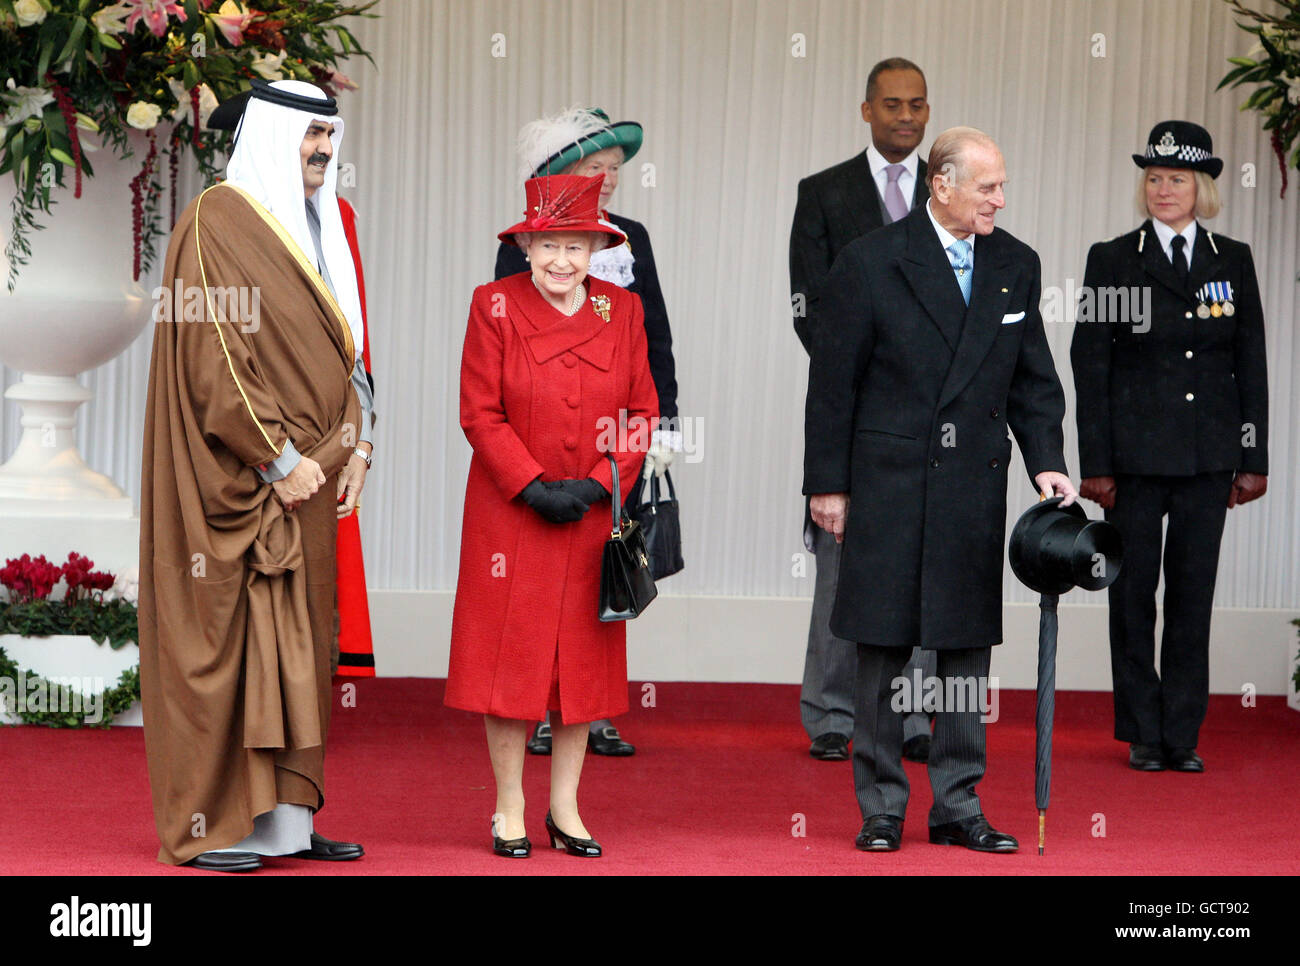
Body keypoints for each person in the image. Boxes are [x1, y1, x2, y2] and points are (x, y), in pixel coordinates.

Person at [804, 127, 1077, 854]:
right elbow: (833, 386)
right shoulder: (870, 261)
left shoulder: (1015, 263)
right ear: (941, 185)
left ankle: (958, 803)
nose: (1000, 198)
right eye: (987, 186)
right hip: (887, 483)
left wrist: (1045, 458)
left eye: (1002, 185)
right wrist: (827, 485)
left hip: (970, 486)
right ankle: (882, 805)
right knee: (883, 645)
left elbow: (1033, 379)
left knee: (963, 650)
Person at [139, 79, 373, 871]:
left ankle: (286, 826)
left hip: (313, 476)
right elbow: (216, 356)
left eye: (328, 137)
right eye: (309, 136)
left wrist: (357, 447)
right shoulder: (219, 219)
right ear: (275, 137)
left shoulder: (318, 225)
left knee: (299, 648)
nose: (322, 150)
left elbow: (351, 349)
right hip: (238, 481)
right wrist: (278, 459)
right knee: (229, 649)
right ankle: (213, 826)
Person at [445, 173, 658, 857]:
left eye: (577, 245)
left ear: (598, 247)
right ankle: (509, 804)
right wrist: (533, 485)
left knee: (581, 669)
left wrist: (600, 484)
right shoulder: (494, 305)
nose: (563, 261)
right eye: (549, 245)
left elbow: (641, 412)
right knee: (510, 665)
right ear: (527, 244)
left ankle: (565, 807)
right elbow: (480, 410)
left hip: (593, 516)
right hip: (512, 515)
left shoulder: (620, 311)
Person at [1070, 120, 1269, 774]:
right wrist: (1095, 464)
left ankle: (1181, 732)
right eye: (1154, 177)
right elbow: (1089, 363)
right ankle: (1141, 732)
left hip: (1208, 457)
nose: (1163, 189)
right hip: (1132, 460)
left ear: (1201, 186)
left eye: (1176, 178)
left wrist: (1253, 457)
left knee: (1193, 594)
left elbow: (1251, 362)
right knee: (1132, 595)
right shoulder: (1113, 258)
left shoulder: (1231, 258)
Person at [496, 107, 680, 758]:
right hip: (545, 436)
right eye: (596, 168)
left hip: (617, 440)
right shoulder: (524, 239)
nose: (608, 180)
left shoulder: (631, 237)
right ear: (565, 171)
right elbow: (506, 343)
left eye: (614, 171)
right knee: (543, 582)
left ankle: (592, 709)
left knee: (608, 569)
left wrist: (667, 417)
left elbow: (654, 331)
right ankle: (541, 709)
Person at [789, 58, 936, 763]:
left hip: (936, 418)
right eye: (892, 104)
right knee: (841, 568)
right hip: (851, 410)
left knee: (923, 568)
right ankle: (831, 715)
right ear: (866, 110)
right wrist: (876, 373)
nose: (906, 116)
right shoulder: (822, 194)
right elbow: (808, 312)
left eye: (917, 104)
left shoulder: (952, 188)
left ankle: (912, 719)